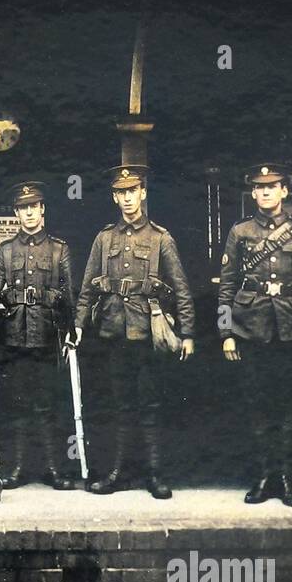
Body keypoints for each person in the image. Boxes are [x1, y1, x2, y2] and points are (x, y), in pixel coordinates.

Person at [73, 164, 196, 497]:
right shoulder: (104, 238)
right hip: (113, 332)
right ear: (115, 197)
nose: (127, 198)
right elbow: (87, 286)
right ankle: (118, 472)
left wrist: (187, 333)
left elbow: (181, 288)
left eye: (133, 191)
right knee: (120, 405)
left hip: (149, 334)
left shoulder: (160, 238)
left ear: (142, 193)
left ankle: (154, 474)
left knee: (150, 405)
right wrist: (79, 324)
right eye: (121, 193)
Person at [217, 163, 292, 507]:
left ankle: (287, 479)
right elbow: (226, 288)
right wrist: (226, 333)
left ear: (284, 192)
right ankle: (264, 477)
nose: (265, 192)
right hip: (251, 330)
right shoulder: (240, 232)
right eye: (260, 188)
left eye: (273, 186)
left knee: (289, 408)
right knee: (258, 407)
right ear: (253, 194)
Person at [0, 181, 77, 490]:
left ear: (43, 209)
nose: (29, 213)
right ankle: (18, 468)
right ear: (16, 213)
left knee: (48, 404)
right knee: (18, 403)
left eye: (34, 207)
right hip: (13, 337)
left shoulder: (59, 249)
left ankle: (52, 469)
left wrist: (72, 332)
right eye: (23, 208)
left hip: (48, 336)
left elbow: (69, 295)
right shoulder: (5, 251)